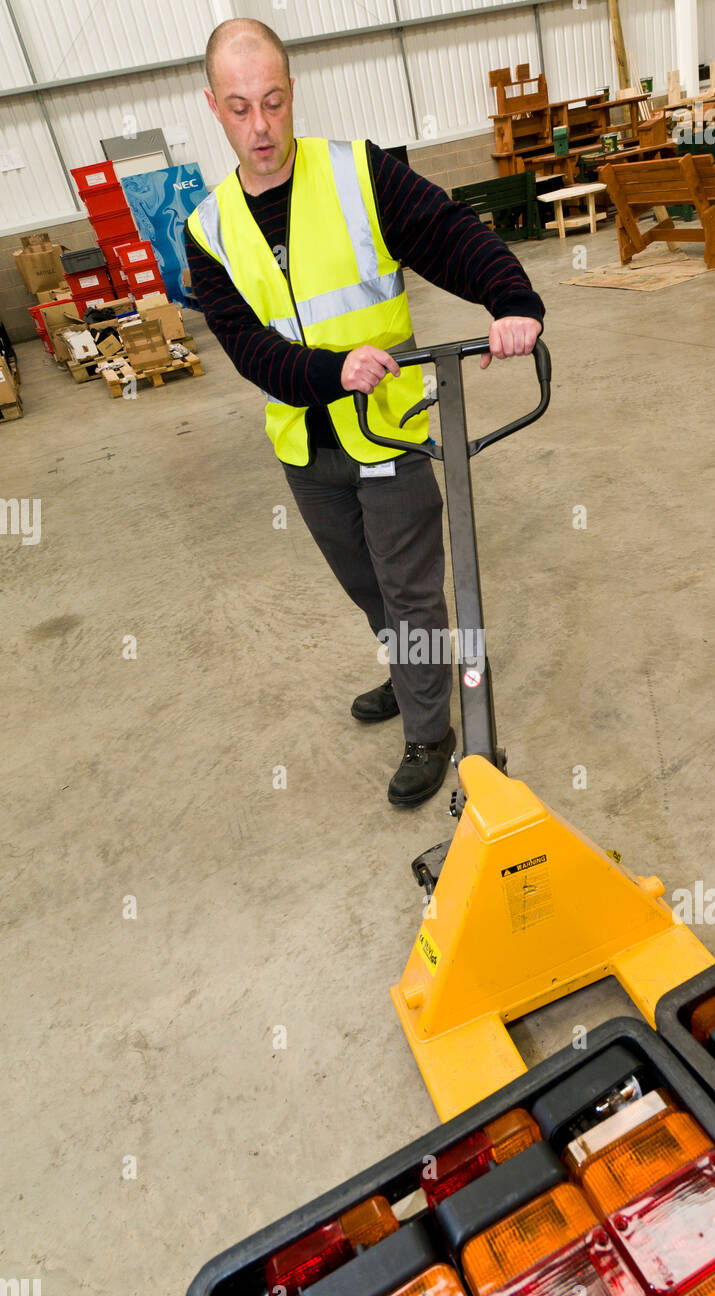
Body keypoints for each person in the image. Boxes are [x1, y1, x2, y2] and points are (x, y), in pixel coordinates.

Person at [185, 17, 544, 807]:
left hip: (388, 428)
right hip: (305, 447)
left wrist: (510, 298)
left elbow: (446, 232)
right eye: (240, 108)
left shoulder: (356, 174)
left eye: (273, 102)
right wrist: (325, 371)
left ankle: (429, 729)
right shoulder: (206, 228)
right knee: (366, 587)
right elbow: (246, 348)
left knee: (410, 589)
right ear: (213, 107)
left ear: (290, 92)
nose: (261, 127)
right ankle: (414, 673)